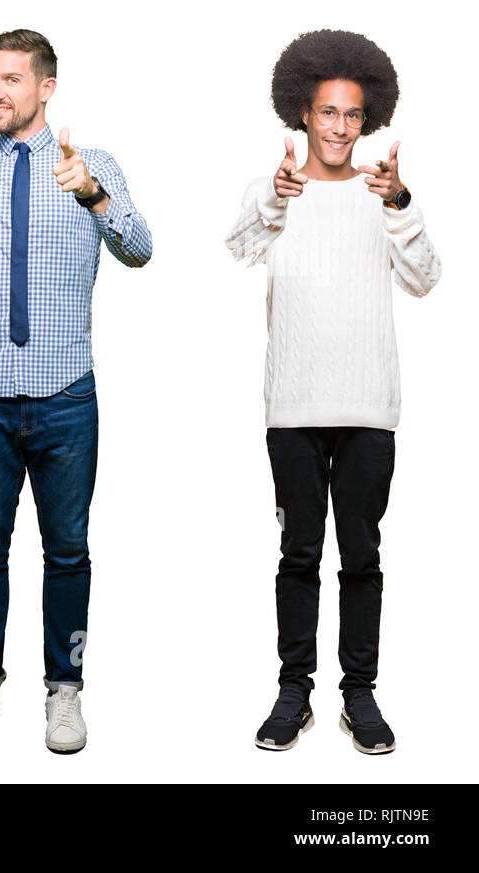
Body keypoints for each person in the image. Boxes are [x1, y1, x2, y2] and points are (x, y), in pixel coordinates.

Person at [0, 29, 152, 753]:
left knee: (68, 550)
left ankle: (65, 691)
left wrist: (95, 195)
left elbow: (140, 247)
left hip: (65, 400)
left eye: (10, 78)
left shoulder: (89, 164)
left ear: (47, 86)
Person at [226, 29, 440, 755]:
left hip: (368, 410)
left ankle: (359, 693)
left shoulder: (386, 197)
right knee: (298, 553)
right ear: (303, 114)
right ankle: (295, 691)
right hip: (293, 406)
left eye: (352, 114)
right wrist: (278, 200)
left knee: (363, 556)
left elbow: (425, 278)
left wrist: (403, 202)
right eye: (327, 113)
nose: (341, 127)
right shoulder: (275, 188)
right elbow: (240, 247)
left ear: (368, 117)